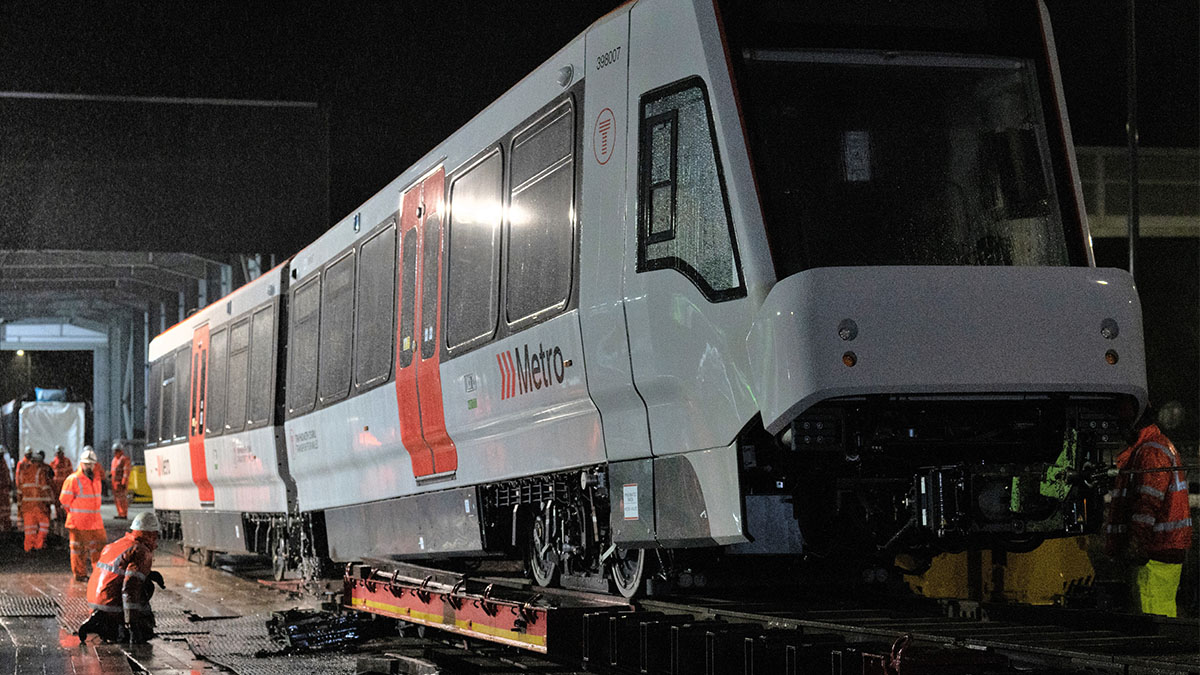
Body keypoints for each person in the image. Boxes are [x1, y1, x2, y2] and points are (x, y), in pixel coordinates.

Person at [1105, 404, 1195, 617]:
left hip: (1153, 552)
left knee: (1152, 619)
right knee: (1161, 612)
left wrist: (1136, 543)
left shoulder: (1150, 451)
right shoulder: (1155, 447)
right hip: (1162, 548)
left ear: (1134, 423)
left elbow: (1147, 504)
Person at [77, 511, 165, 644]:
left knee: (143, 581)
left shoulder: (116, 544)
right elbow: (130, 588)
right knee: (146, 589)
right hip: (112, 608)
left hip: (96, 604)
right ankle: (116, 624)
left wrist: (148, 574)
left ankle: (99, 618)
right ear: (152, 534)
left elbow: (115, 574)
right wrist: (132, 625)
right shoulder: (141, 551)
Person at [60, 448, 108, 581]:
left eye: (91, 464)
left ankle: (99, 574)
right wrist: (75, 514)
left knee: (99, 547)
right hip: (78, 523)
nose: (89, 466)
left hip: (95, 522)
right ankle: (80, 574)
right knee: (79, 550)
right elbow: (64, 501)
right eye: (86, 464)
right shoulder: (73, 479)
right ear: (81, 463)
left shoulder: (96, 479)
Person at [16, 449, 54, 551]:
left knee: (29, 531)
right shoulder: (40, 471)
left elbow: (19, 492)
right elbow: (45, 489)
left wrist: (19, 510)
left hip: (26, 507)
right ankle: (39, 546)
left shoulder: (24, 473)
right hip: (39, 506)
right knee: (44, 526)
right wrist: (51, 501)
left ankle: (28, 549)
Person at [109, 440, 132, 519]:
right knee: (117, 500)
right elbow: (113, 471)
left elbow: (126, 472)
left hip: (120, 484)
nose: (115, 453)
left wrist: (123, 482)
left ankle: (123, 514)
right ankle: (120, 513)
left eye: (116, 451)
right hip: (115, 483)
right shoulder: (114, 460)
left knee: (122, 499)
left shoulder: (124, 459)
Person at [50, 446, 73, 523]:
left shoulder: (67, 461)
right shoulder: (53, 463)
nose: (59, 454)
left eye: (60, 453)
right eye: (58, 453)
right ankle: (58, 515)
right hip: (56, 486)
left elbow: (70, 473)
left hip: (65, 486)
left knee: (66, 501)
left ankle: (65, 515)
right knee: (57, 502)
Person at [0, 445, 12, 532]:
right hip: (3, 491)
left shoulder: (4, 464)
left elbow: (7, 477)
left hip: (4, 492)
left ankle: (6, 529)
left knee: (5, 512)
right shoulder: (3, 464)